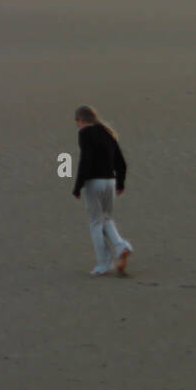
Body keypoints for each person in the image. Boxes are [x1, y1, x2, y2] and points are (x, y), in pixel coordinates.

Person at [71, 105, 133, 277]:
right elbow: (121, 161)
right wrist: (120, 183)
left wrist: (77, 186)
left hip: (94, 183)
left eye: (77, 121)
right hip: (110, 182)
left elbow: (85, 160)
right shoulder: (107, 132)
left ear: (81, 120)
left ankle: (103, 264)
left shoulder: (84, 134)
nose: (77, 125)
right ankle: (121, 246)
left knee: (96, 223)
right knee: (106, 218)